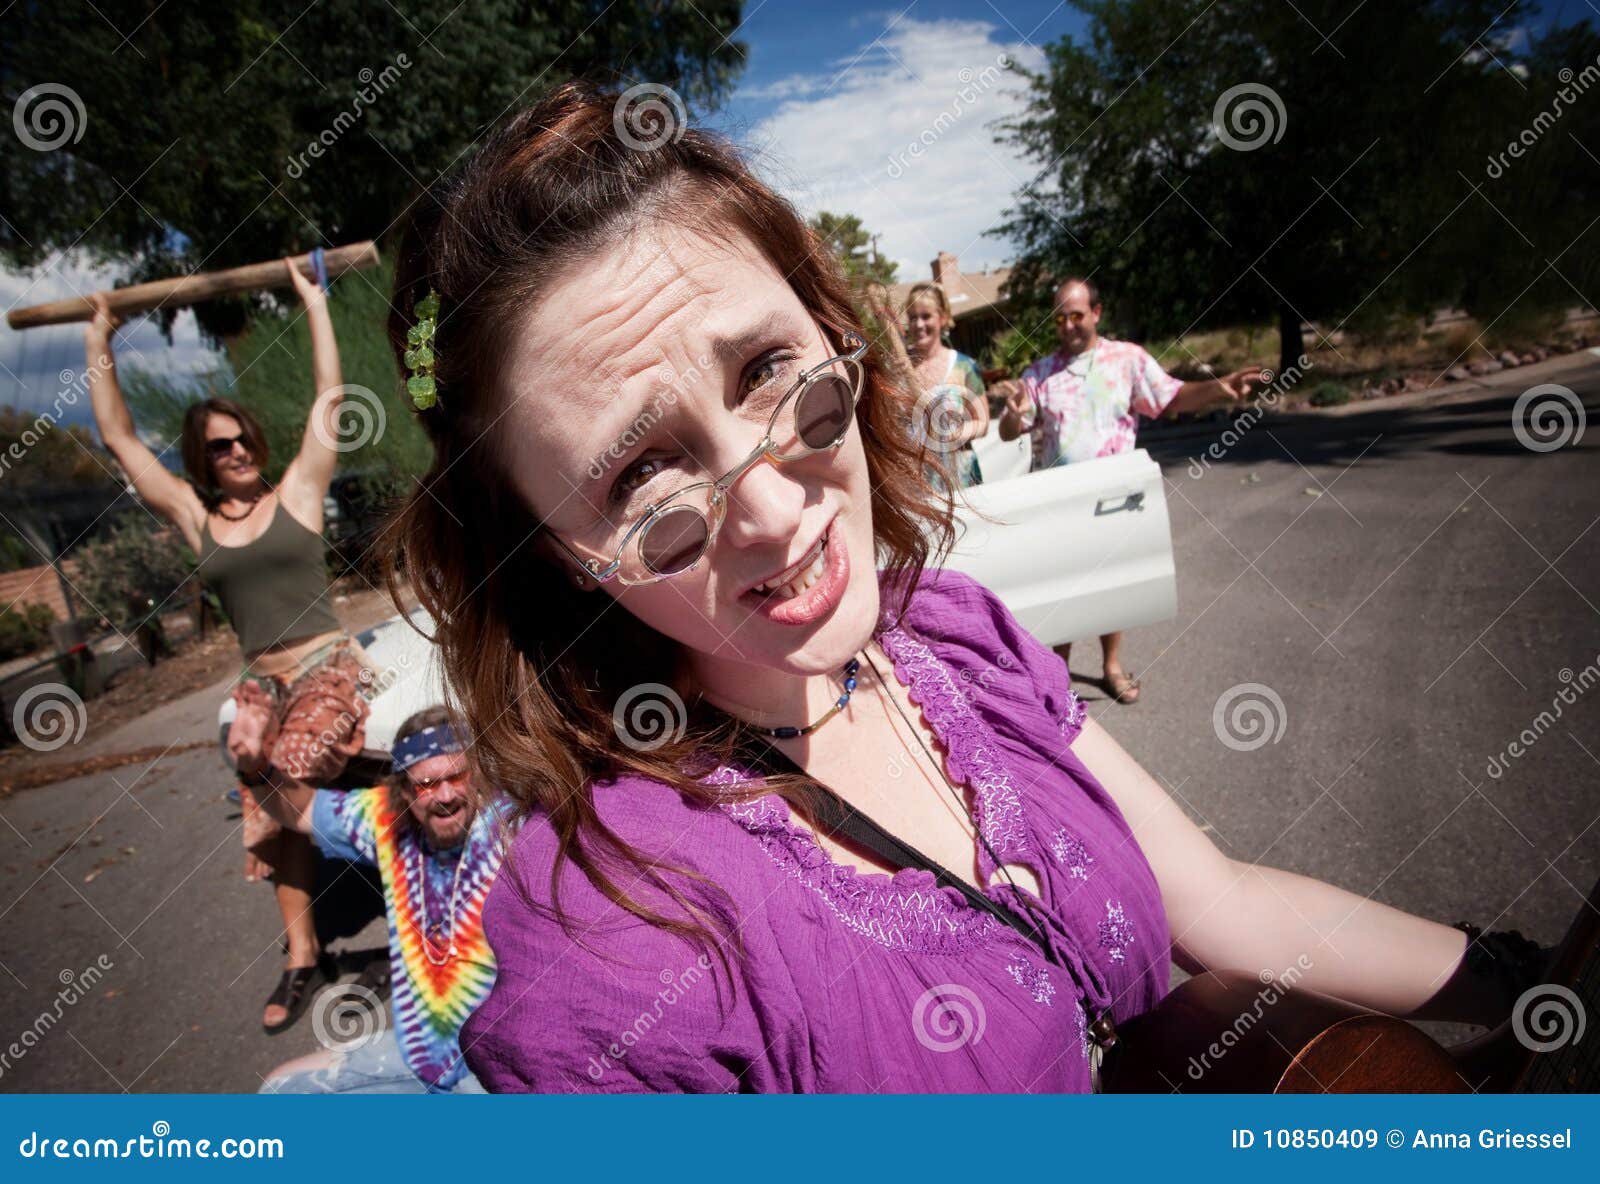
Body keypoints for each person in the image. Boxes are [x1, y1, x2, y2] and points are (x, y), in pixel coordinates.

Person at [384, 82, 1542, 1094]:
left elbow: (1222, 903)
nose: (778, 513)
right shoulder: (602, 935)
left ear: (833, 330)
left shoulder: (949, 634)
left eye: (767, 370)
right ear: (541, 546)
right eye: (639, 470)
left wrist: (1520, 975)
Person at [84, 257, 373, 1034]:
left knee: (274, 782)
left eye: (243, 439)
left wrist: (313, 302)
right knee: (251, 764)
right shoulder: (194, 518)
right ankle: (304, 956)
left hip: (327, 665)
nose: (238, 452)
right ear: (200, 457)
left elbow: (330, 402)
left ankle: (403, 889)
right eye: (220, 447)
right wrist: (100, 338)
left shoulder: (299, 492)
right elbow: (116, 436)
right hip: (260, 682)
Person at [994, 279, 1259, 705]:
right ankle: (1056, 677)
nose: (1068, 326)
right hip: (1060, 502)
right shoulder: (1039, 374)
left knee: (1111, 589)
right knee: (1063, 591)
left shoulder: (1127, 360)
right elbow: (1011, 431)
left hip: (1113, 500)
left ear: (1096, 313)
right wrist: (1011, 416)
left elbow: (1170, 397)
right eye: (1060, 318)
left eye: (1076, 315)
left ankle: (1111, 668)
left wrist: (1219, 388)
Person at [256, 708, 504, 1094]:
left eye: (457, 776)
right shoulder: (389, 823)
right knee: (279, 1089)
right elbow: (300, 809)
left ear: (478, 772)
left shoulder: (511, 826)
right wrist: (253, 765)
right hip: (419, 1058)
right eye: (426, 784)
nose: (444, 796)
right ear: (405, 792)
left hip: (492, 1067)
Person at [903, 281, 988, 490]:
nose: (919, 324)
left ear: (942, 318)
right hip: (917, 479)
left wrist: (951, 434)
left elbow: (982, 422)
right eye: (913, 317)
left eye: (926, 316)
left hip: (960, 474)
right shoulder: (899, 369)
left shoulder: (963, 366)